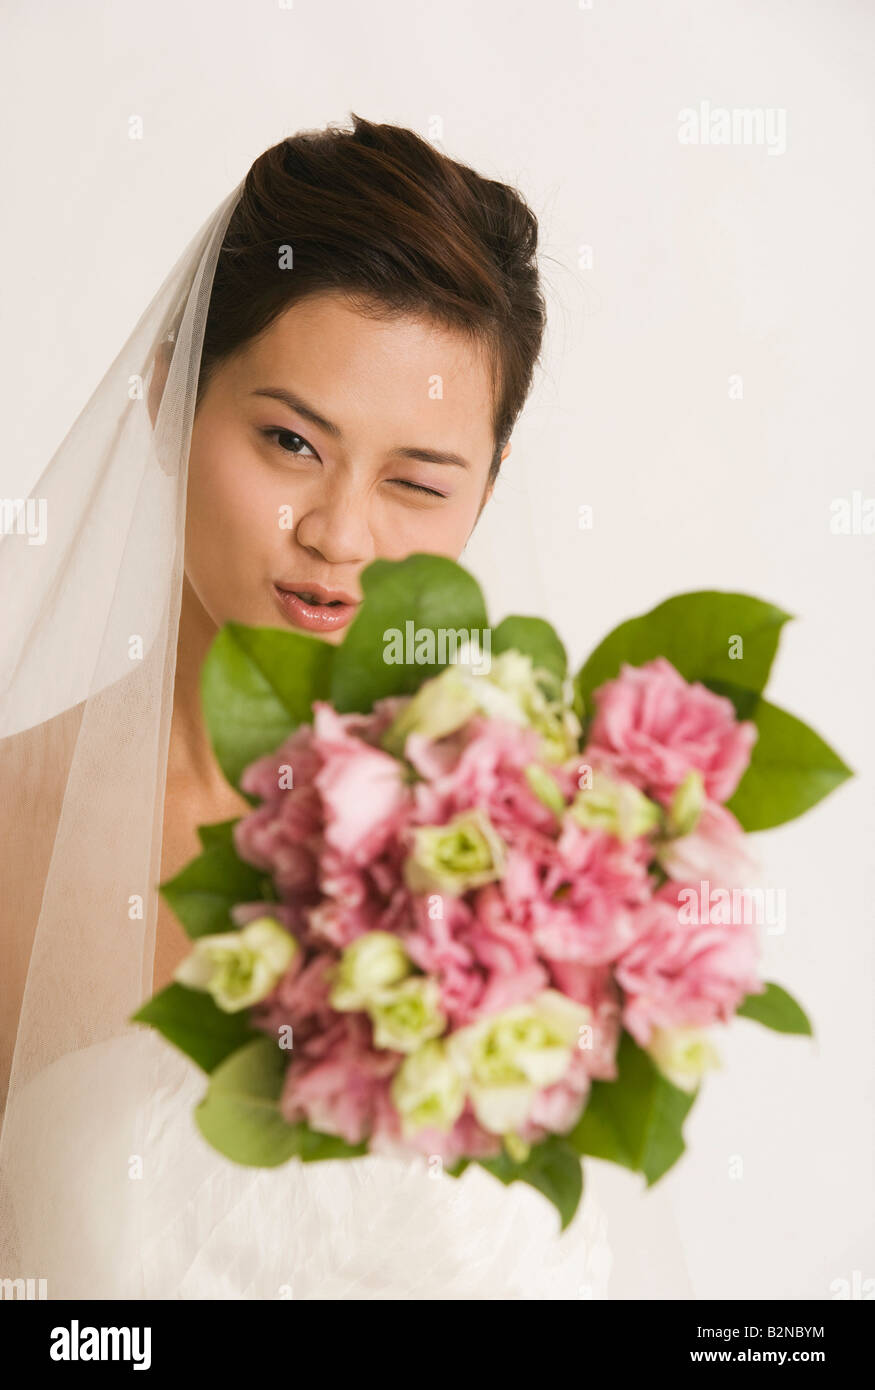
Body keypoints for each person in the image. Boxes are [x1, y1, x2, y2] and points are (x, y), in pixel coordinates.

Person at [0, 114, 685, 1298]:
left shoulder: (551, 855)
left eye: (416, 481)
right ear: (172, 399)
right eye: (288, 442)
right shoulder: (15, 834)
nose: (339, 536)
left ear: (488, 486)